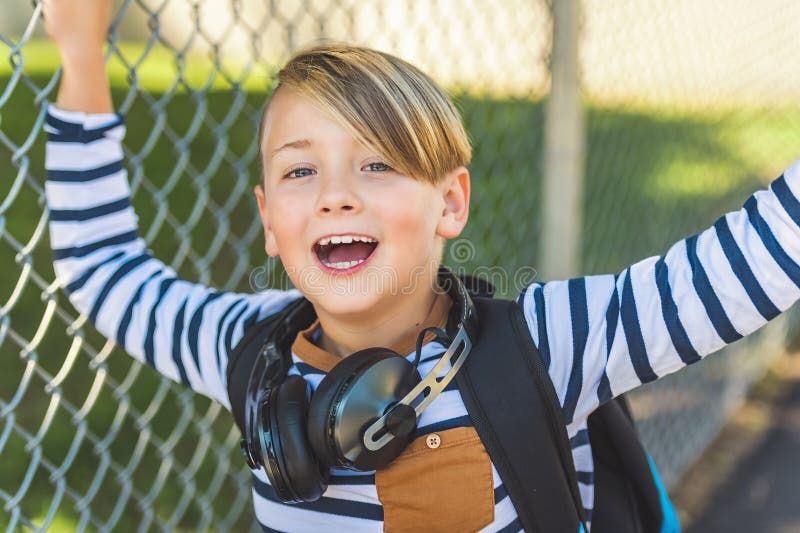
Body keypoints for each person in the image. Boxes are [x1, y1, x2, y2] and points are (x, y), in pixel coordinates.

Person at [41, 1, 800, 531]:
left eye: (377, 165)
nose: (336, 194)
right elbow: (106, 269)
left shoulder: (547, 344)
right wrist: (80, 55)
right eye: (300, 172)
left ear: (450, 204)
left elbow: (743, 266)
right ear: (270, 220)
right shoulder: (249, 350)